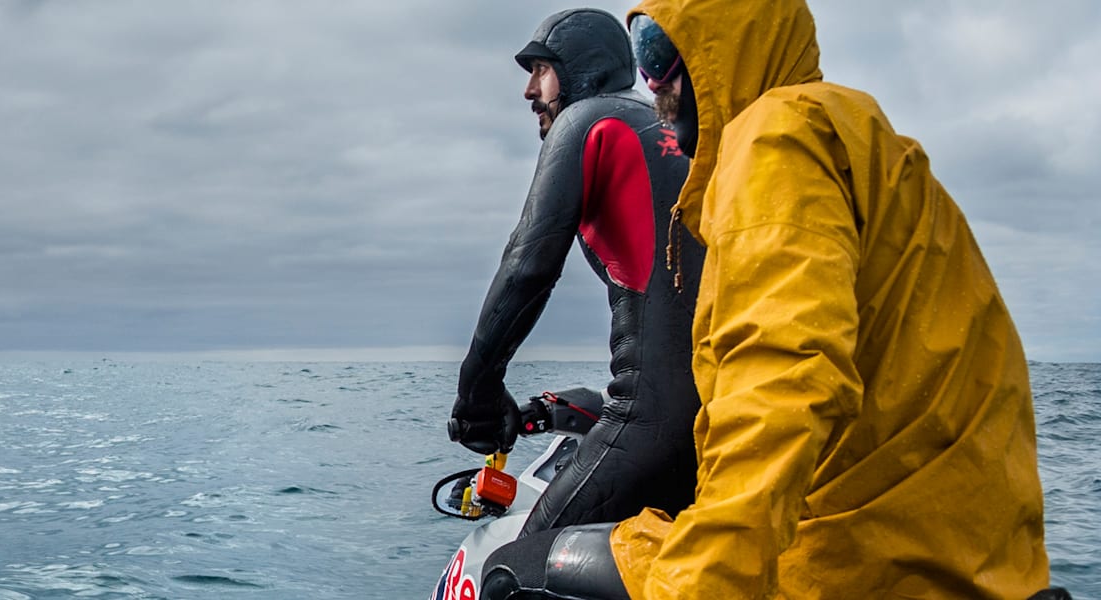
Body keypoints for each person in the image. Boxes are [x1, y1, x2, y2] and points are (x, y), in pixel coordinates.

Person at [594, 0, 1062, 598]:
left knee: (517, 567)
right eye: (641, 53)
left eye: (660, 50)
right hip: (972, 564)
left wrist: (697, 585)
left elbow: (782, 380)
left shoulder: (776, 136)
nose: (651, 81)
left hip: (855, 568)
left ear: (726, 48)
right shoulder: (873, 149)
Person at [447, 7, 705, 539]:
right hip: (720, 423)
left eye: (541, 70)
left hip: (653, 422)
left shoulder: (589, 119)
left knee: (517, 567)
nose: (529, 91)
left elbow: (527, 265)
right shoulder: (669, 131)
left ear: (583, 68)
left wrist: (477, 395)